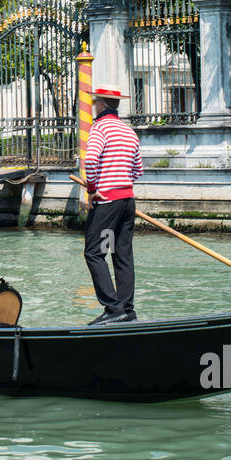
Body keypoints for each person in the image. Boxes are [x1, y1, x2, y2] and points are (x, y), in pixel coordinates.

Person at [82, 84, 143, 325]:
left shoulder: (100, 129)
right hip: (127, 202)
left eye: (95, 101)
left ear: (102, 104)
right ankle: (127, 308)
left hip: (106, 202)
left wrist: (92, 190)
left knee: (94, 252)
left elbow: (91, 162)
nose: (93, 105)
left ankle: (113, 307)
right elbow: (138, 170)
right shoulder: (129, 131)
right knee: (121, 253)